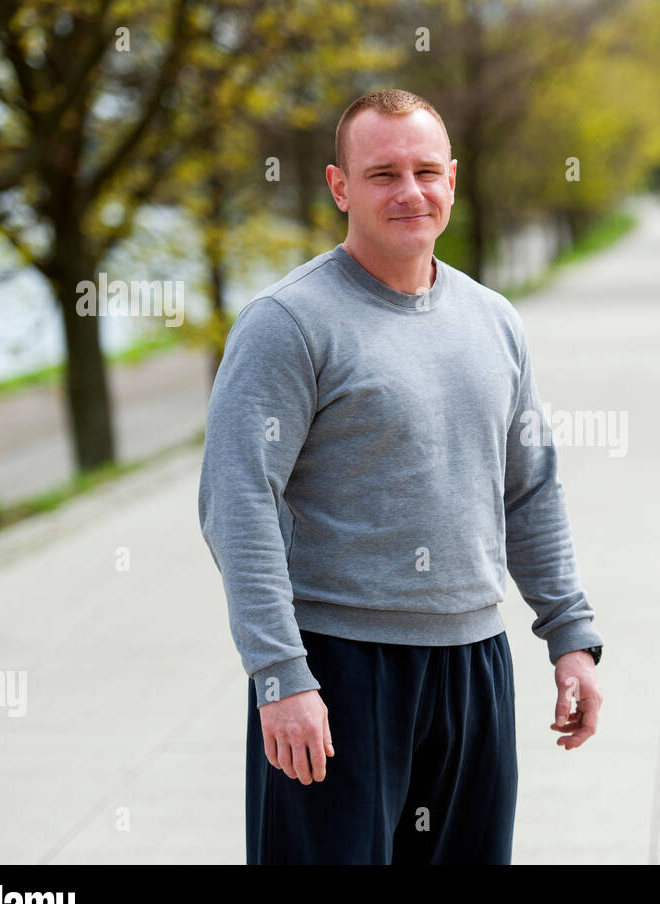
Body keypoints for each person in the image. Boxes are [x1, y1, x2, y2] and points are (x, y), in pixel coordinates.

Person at [197, 88, 604, 864]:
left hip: (474, 663)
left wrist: (569, 635)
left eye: (425, 170)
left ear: (453, 178)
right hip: (339, 669)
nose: (409, 191)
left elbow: (531, 488)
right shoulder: (287, 324)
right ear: (340, 187)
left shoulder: (494, 319)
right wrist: (281, 675)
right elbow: (237, 503)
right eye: (383, 173)